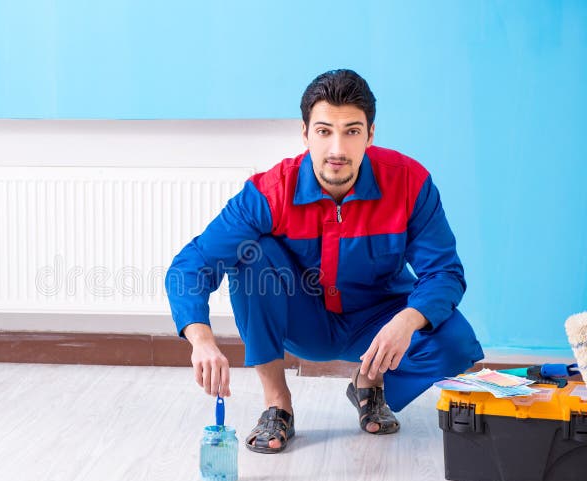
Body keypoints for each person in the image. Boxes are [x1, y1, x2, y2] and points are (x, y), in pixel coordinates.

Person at [165, 69, 484, 453]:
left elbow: (445, 272)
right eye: (323, 131)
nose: (337, 149)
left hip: (377, 325)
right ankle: (277, 405)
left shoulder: (410, 183)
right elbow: (191, 264)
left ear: (370, 135)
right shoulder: (270, 191)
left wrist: (407, 321)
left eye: (351, 131)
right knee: (251, 256)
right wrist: (201, 340)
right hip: (304, 321)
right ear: (305, 135)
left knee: (456, 342)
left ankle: (370, 382)